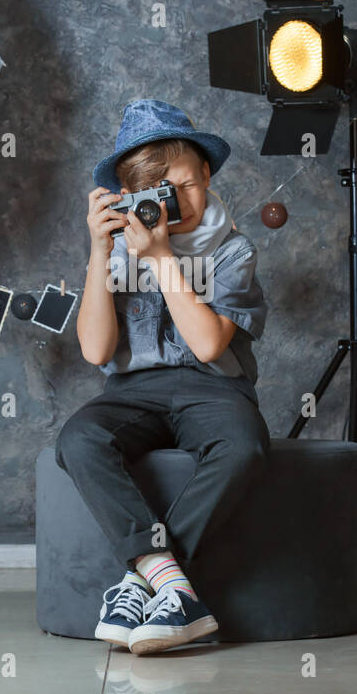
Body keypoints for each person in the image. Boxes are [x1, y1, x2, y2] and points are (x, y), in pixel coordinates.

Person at [55, 99, 271, 655]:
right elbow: (96, 348)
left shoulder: (233, 249)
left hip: (215, 387)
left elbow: (207, 345)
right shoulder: (118, 252)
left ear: (207, 179)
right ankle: (170, 583)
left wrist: (161, 260)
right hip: (133, 392)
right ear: (133, 199)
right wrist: (100, 252)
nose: (182, 203)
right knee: (79, 438)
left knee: (243, 445)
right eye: (164, 191)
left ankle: (138, 583)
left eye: (192, 184)